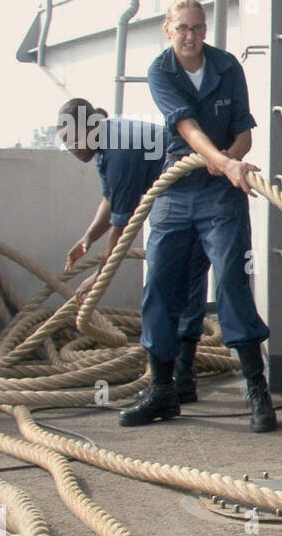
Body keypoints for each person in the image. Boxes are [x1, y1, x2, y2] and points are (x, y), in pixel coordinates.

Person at [120, 0, 276, 432]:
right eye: (182, 28)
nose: (191, 36)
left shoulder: (228, 67)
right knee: (162, 286)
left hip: (222, 191)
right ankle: (163, 389)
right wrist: (222, 160)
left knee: (230, 279)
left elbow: (244, 131)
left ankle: (256, 391)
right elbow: (186, 127)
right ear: (167, 30)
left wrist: (231, 159)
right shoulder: (160, 71)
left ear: (205, 31)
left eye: (198, 28)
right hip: (176, 189)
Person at [58, 97, 210, 403]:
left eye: (73, 138)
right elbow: (111, 202)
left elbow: (122, 228)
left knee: (176, 285)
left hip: (197, 198)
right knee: (167, 286)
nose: (71, 148)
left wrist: (99, 278)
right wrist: (87, 240)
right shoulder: (104, 147)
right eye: (64, 142)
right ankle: (175, 378)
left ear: (91, 126)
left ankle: (180, 377)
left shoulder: (120, 150)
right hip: (174, 203)